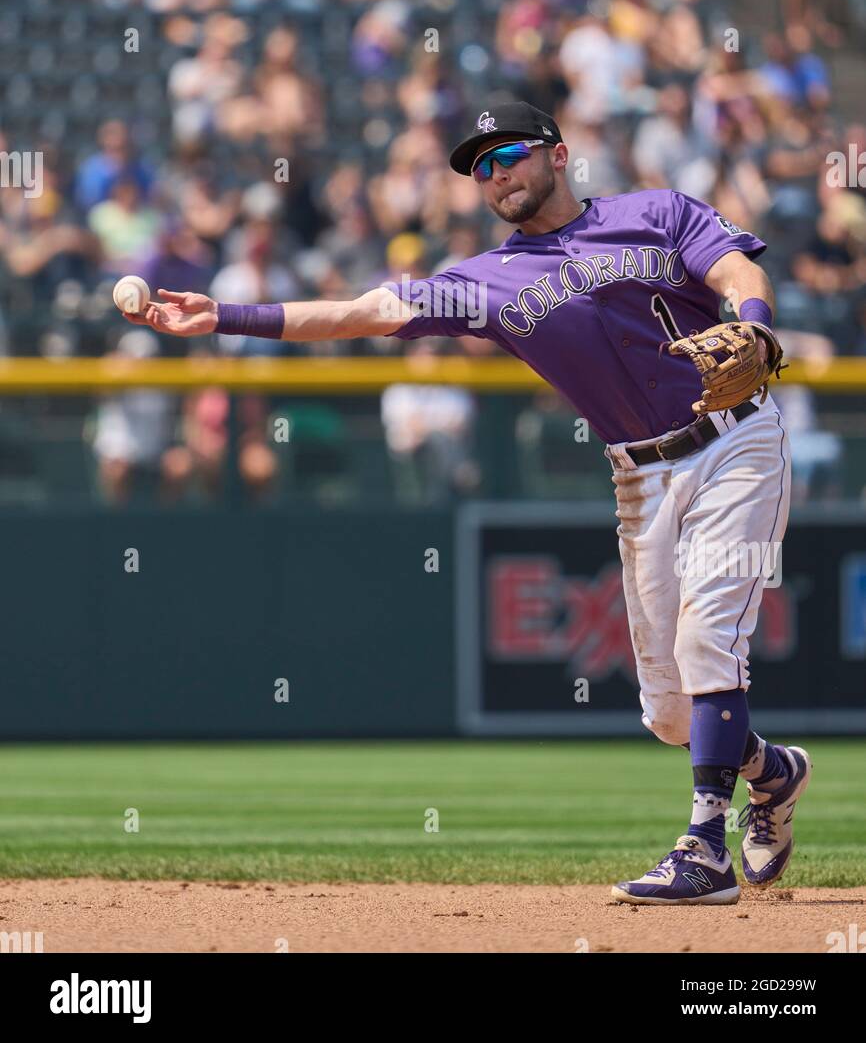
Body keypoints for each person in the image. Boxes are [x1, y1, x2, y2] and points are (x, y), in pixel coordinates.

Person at [123, 100, 810, 905]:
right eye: (479, 167)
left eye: (508, 154)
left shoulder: (653, 213)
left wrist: (755, 326)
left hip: (736, 443)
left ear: (557, 154)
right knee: (668, 714)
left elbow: (737, 271)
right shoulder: (487, 283)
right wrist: (226, 317)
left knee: (708, 641)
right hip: (640, 474)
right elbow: (369, 311)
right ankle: (773, 772)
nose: (495, 175)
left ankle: (704, 850)